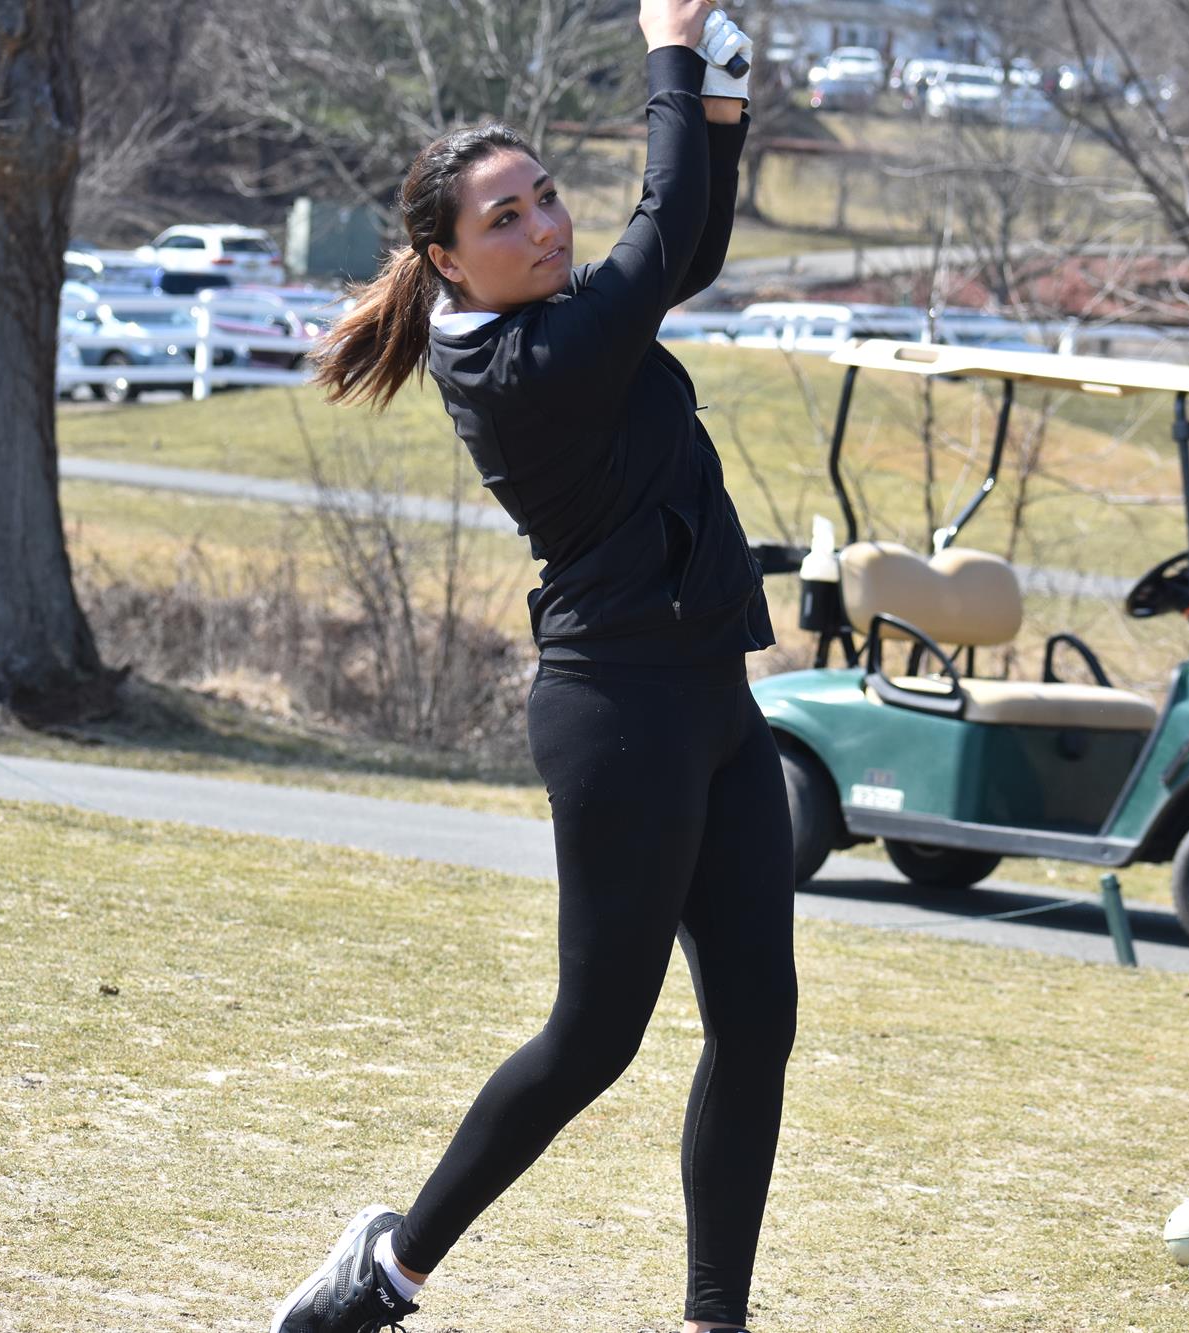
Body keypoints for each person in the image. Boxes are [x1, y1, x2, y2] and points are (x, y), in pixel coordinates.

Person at [277, 4, 795, 1331]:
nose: (547, 227)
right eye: (506, 218)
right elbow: (663, 234)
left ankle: (715, 1319)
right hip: (620, 711)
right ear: (447, 260)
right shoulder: (526, 362)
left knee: (758, 1024)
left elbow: (687, 248)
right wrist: (668, 50)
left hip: (713, 700)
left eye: (549, 198)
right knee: (594, 1039)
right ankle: (386, 1272)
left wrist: (720, 104)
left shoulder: (559, 320)